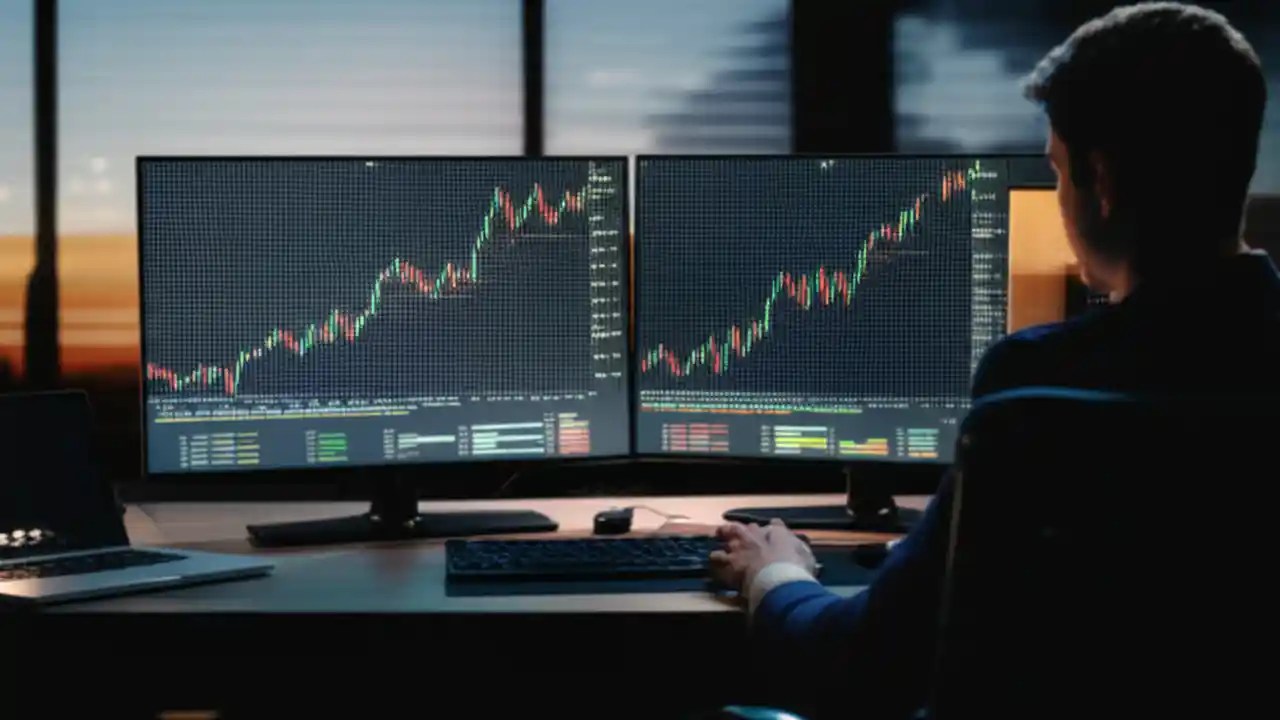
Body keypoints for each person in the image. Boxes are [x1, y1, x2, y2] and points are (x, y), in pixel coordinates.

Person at [709, 3, 1278, 718]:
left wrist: (775, 574)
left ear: (1099, 180)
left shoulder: (1036, 390)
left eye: (1058, 170)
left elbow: (861, 665)